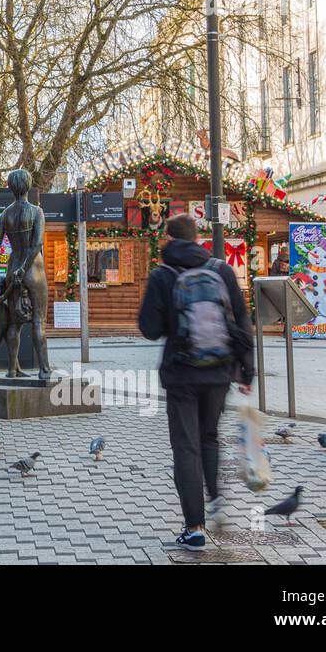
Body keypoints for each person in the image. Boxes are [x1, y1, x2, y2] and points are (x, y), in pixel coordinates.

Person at [137, 215, 254, 551]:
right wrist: (247, 370)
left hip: (181, 373)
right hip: (220, 371)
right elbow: (242, 320)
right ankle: (215, 495)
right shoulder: (221, 270)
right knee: (210, 437)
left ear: (169, 238)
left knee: (186, 447)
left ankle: (194, 527)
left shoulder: (163, 274)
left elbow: (150, 328)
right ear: (198, 237)